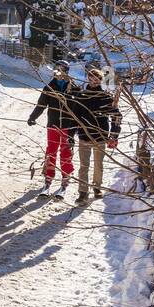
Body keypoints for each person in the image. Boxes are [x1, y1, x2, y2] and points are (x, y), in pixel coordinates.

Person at [69, 65, 121, 203]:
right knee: (83, 165)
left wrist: (114, 134)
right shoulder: (82, 96)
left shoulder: (105, 97)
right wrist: (70, 135)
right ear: (88, 79)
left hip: (100, 136)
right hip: (84, 136)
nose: (94, 82)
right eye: (91, 80)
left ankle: (97, 187)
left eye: (97, 80)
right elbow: (75, 117)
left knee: (98, 164)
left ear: (101, 81)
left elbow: (116, 116)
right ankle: (82, 192)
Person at [27, 62, 76, 197]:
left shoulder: (73, 88)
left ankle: (65, 182)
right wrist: (33, 117)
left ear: (66, 71)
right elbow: (41, 104)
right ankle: (48, 180)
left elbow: (78, 109)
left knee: (65, 152)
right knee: (51, 152)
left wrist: (77, 128)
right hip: (53, 125)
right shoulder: (49, 87)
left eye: (61, 70)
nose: (58, 72)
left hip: (68, 125)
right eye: (57, 70)